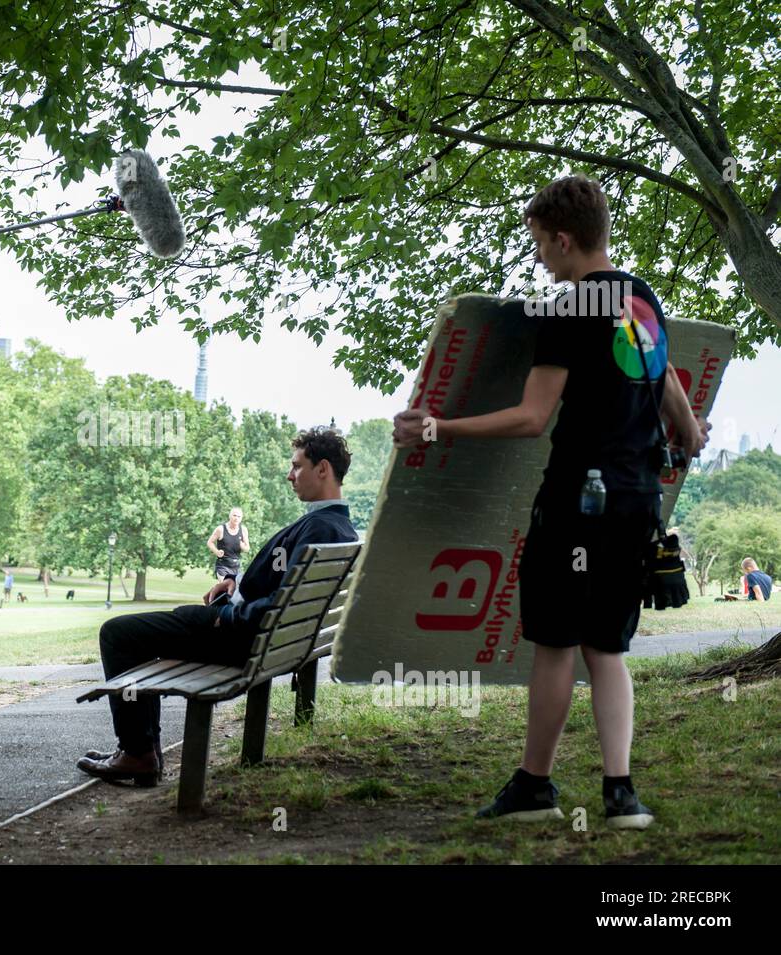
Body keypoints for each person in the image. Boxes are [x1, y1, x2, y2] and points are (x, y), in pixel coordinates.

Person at [394, 175, 708, 830]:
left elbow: (533, 417)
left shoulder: (570, 309)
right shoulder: (639, 298)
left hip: (577, 505)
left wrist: (439, 427)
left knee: (558, 643)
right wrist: (687, 426)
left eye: (540, 243)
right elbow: (667, 379)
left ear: (563, 238)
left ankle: (535, 784)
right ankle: (621, 793)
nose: (539, 256)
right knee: (608, 648)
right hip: (637, 501)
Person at [77, 427, 359, 785]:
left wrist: (226, 615)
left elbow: (279, 606)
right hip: (267, 644)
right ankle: (140, 751)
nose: (289, 475)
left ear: (322, 469)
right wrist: (236, 585)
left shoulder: (320, 528)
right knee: (159, 625)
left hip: (238, 640)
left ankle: (138, 753)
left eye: (296, 466)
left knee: (118, 634)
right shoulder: (337, 527)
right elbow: (285, 591)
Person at [207, 508, 250, 580]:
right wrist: (216, 552)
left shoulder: (243, 530)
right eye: (234, 515)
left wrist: (243, 547)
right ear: (230, 516)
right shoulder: (220, 529)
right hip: (223, 565)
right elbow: (210, 542)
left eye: (239, 516)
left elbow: (247, 548)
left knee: (234, 589)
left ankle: (216, 590)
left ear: (241, 518)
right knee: (226, 586)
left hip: (236, 566)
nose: (236, 518)